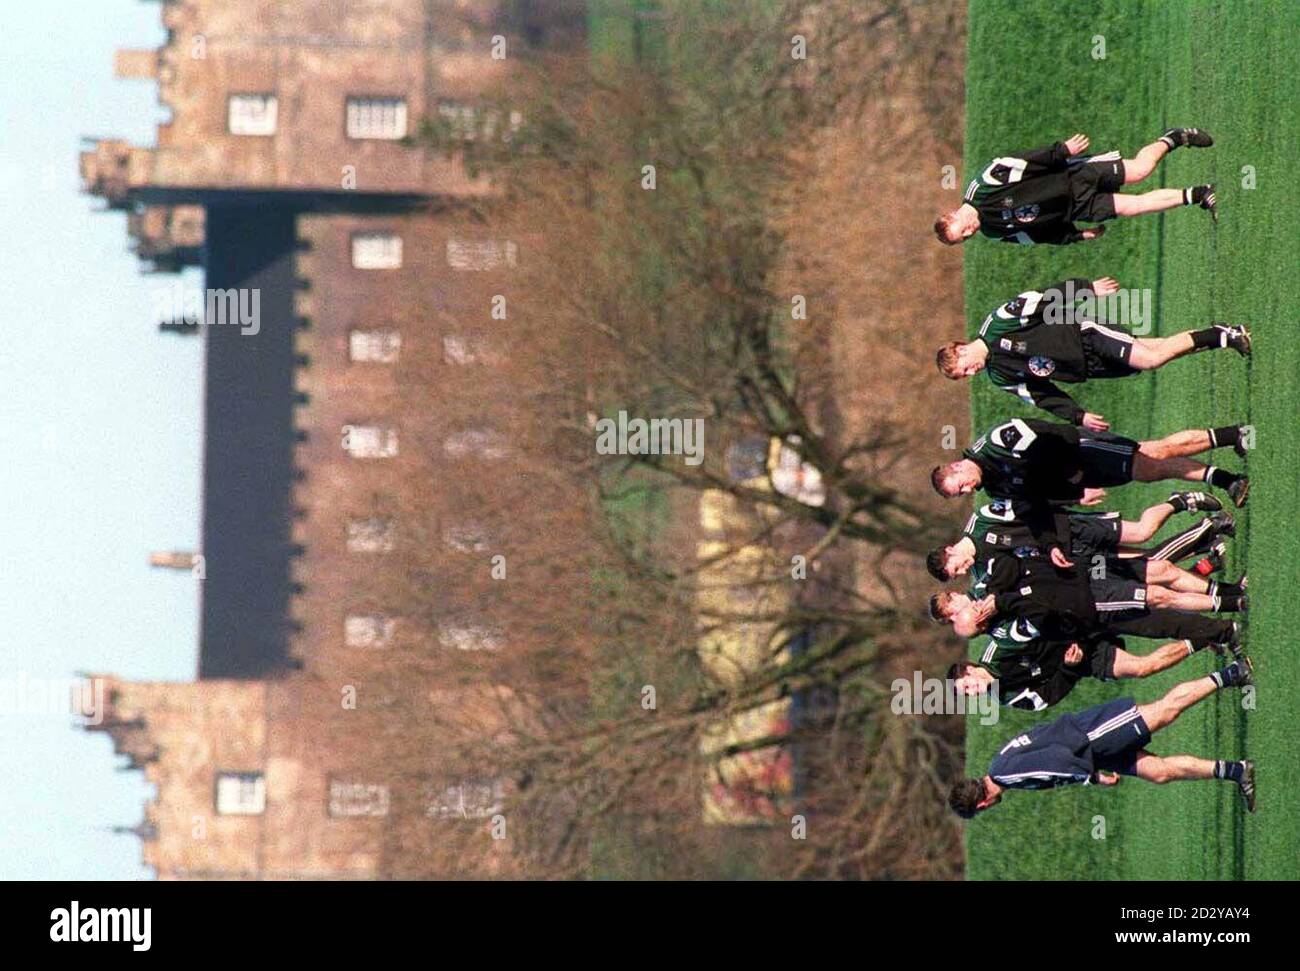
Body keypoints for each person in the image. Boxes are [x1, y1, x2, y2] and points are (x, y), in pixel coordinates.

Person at [947, 663, 1257, 817]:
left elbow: (1054, 758)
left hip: (1091, 736)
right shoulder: (1001, 768)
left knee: (1165, 711)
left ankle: (1232, 673)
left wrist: (1090, 777)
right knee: (1160, 773)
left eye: (982, 810)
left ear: (982, 803)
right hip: (1091, 752)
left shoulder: (1006, 773)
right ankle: (1238, 771)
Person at [935, 277, 1249, 427]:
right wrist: (1078, 415)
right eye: (964, 377)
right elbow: (1042, 396)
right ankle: (1217, 338)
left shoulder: (998, 323)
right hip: (1087, 367)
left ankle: (1225, 334)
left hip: (1085, 333)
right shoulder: (999, 376)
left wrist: (1087, 289)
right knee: (1155, 349)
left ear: (960, 349)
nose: (970, 374)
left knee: (1151, 358)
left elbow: (1043, 297)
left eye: (964, 369)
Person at [935, 128, 1217, 247]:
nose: (970, 233)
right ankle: (1201, 194)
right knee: (1134, 207)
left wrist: (1061, 151)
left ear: (953, 215)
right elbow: (1036, 236)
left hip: (1074, 176)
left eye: (963, 230)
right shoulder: (993, 233)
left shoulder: (983, 186)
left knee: (1141, 171)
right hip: (1077, 208)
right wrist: (1076, 235)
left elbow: (1022, 161)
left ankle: (1175, 137)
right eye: (965, 239)